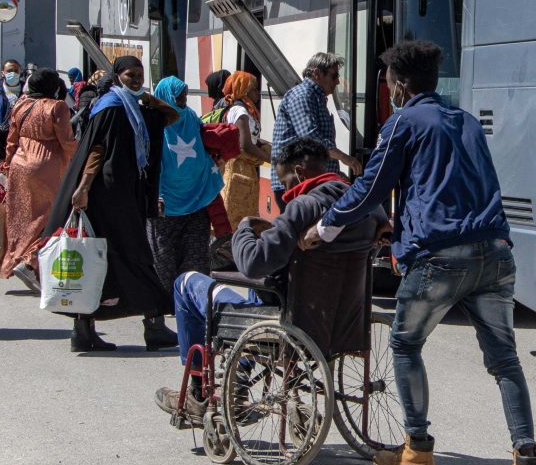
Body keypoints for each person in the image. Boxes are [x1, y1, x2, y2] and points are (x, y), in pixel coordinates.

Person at [307, 40, 536, 465]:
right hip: (495, 251)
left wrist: (324, 227)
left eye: (389, 85)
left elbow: (370, 188)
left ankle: (417, 452)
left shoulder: (403, 123)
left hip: (440, 257)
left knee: (404, 343)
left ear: (400, 86)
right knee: (505, 361)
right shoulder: (468, 122)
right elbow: (454, 185)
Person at [158, 135, 385, 421]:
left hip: (296, 321)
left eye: (285, 182)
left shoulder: (303, 206)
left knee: (187, 282)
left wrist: (245, 228)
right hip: (343, 322)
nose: (286, 191)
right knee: (262, 286)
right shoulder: (366, 207)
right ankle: (240, 377)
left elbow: (252, 264)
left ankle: (198, 392)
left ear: (299, 173)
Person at [43, 55, 178, 352]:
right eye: (130, 75)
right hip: (107, 197)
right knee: (134, 257)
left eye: (140, 75)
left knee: (105, 261)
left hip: (121, 194)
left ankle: (84, 331)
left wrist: (147, 97)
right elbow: (97, 150)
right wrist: (83, 188)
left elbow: (170, 116)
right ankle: (154, 325)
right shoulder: (114, 108)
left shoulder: (133, 108)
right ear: (117, 76)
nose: (136, 80)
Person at [0, 68, 78, 290]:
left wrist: (8, 164)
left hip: (20, 164)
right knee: (51, 217)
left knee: (23, 218)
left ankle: (16, 260)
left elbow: (11, 140)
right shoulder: (57, 107)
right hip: (48, 165)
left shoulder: (21, 104)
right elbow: (67, 141)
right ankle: (30, 262)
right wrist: (82, 155)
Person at [146, 76, 227, 288]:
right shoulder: (155, 122)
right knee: (164, 261)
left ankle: (193, 298)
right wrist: (156, 195)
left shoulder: (190, 116)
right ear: (166, 97)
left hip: (196, 198)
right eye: (178, 97)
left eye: (184, 95)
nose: (183, 100)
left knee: (196, 259)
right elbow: (152, 163)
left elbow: (202, 143)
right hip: (166, 204)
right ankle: (166, 301)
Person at [271, 53, 362, 207]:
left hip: (307, 182)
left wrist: (335, 174)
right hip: (295, 184)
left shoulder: (316, 98)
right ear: (317, 73)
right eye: (334, 76)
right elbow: (312, 138)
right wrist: (346, 158)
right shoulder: (302, 96)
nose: (337, 82)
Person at [218, 70, 272, 227]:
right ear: (245, 91)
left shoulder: (244, 109)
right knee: (236, 216)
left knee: (242, 217)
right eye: (254, 89)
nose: (257, 93)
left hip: (244, 169)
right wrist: (270, 159)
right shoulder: (240, 111)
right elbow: (245, 144)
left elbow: (251, 139)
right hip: (238, 170)